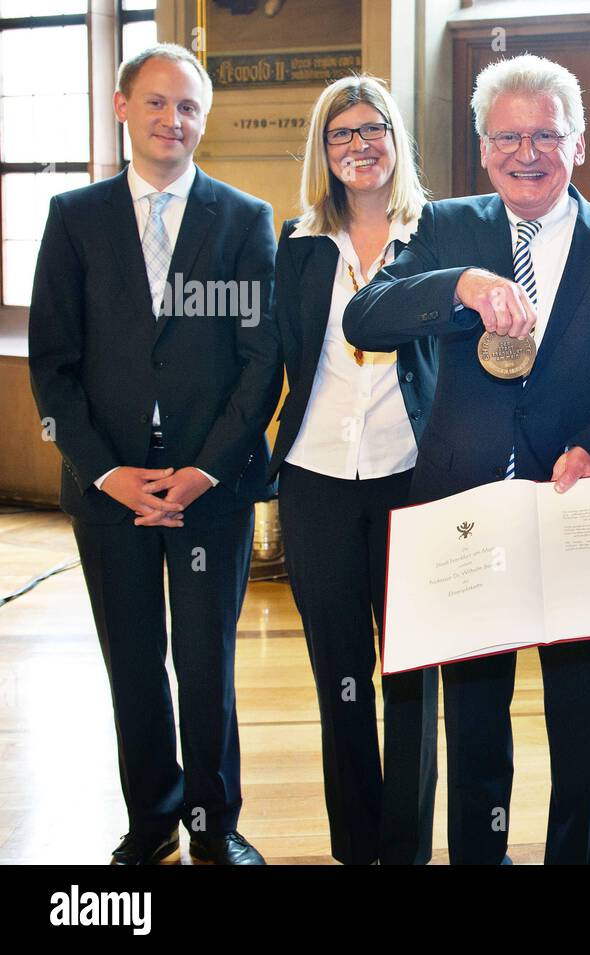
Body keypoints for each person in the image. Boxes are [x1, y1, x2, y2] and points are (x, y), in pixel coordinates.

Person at [343, 53, 590, 865]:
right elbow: (365, 317)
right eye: (508, 137)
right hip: (464, 513)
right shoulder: (446, 228)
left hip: (574, 512)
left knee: (580, 720)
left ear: (580, 144)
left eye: (547, 135)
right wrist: (461, 285)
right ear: (484, 148)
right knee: (477, 720)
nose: (529, 153)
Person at [28, 43, 280, 864]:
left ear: (205, 119)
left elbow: (260, 360)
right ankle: (153, 823)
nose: (175, 120)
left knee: (207, 665)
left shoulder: (244, 219)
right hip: (110, 491)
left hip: (214, 481)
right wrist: (106, 471)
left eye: (190, 108)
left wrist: (204, 468)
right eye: (159, 103)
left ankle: (214, 824)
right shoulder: (74, 218)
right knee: (133, 664)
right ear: (122, 106)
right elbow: (52, 369)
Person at [268, 75, 438, 866]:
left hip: (412, 478)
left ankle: (404, 845)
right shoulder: (297, 246)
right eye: (341, 134)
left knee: (411, 669)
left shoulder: (437, 234)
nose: (360, 145)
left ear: (397, 139)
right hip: (316, 480)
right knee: (339, 670)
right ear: (323, 152)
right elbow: (270, 364)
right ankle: (356, 842)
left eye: (374, 129)